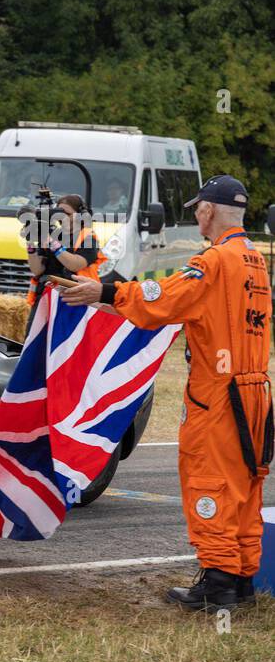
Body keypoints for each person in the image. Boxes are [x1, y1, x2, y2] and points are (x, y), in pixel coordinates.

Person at [61, 175, 270, 611]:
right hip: (255, 391)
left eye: (198, 208)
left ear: (209, 211)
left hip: (218, 393)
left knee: (208, 482)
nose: (195, 214)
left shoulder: (213, 262)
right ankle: (241, 580)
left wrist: (104, 290)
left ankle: (216, 588)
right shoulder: (255, 260)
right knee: (244, 487)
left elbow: (162, 298)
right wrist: (110, 296)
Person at [24, 194, 103, 325]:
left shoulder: (87, 238)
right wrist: (30, 244)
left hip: (73, 300)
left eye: (67, 214)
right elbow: (37, 270)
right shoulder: (54, 234)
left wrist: (51, 242)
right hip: (46, 296)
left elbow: (75, 264)